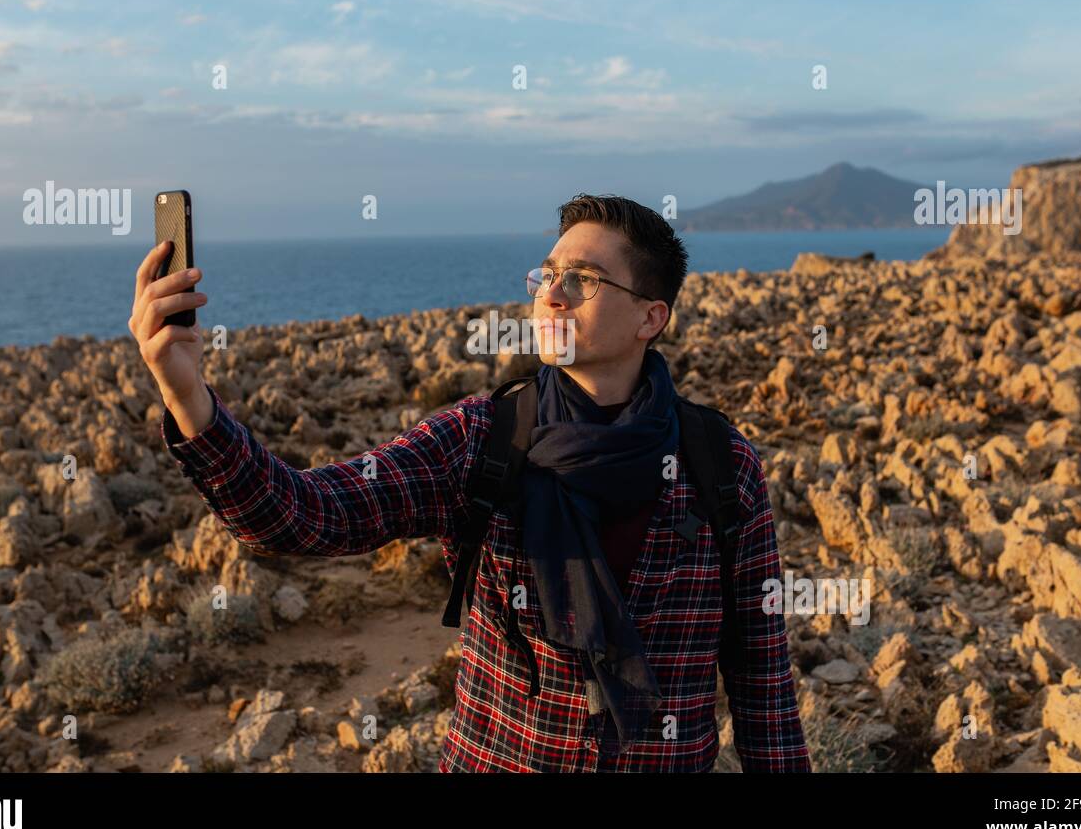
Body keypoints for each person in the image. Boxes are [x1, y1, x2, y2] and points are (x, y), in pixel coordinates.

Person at [128, 194, 812, 772]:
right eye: (547, 274)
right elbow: (304, 515)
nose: (552, 293)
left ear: (651, 317)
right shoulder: (482, 439)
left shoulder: (720, 464)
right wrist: (189, 396)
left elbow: (761, 680)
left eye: (585, 279)